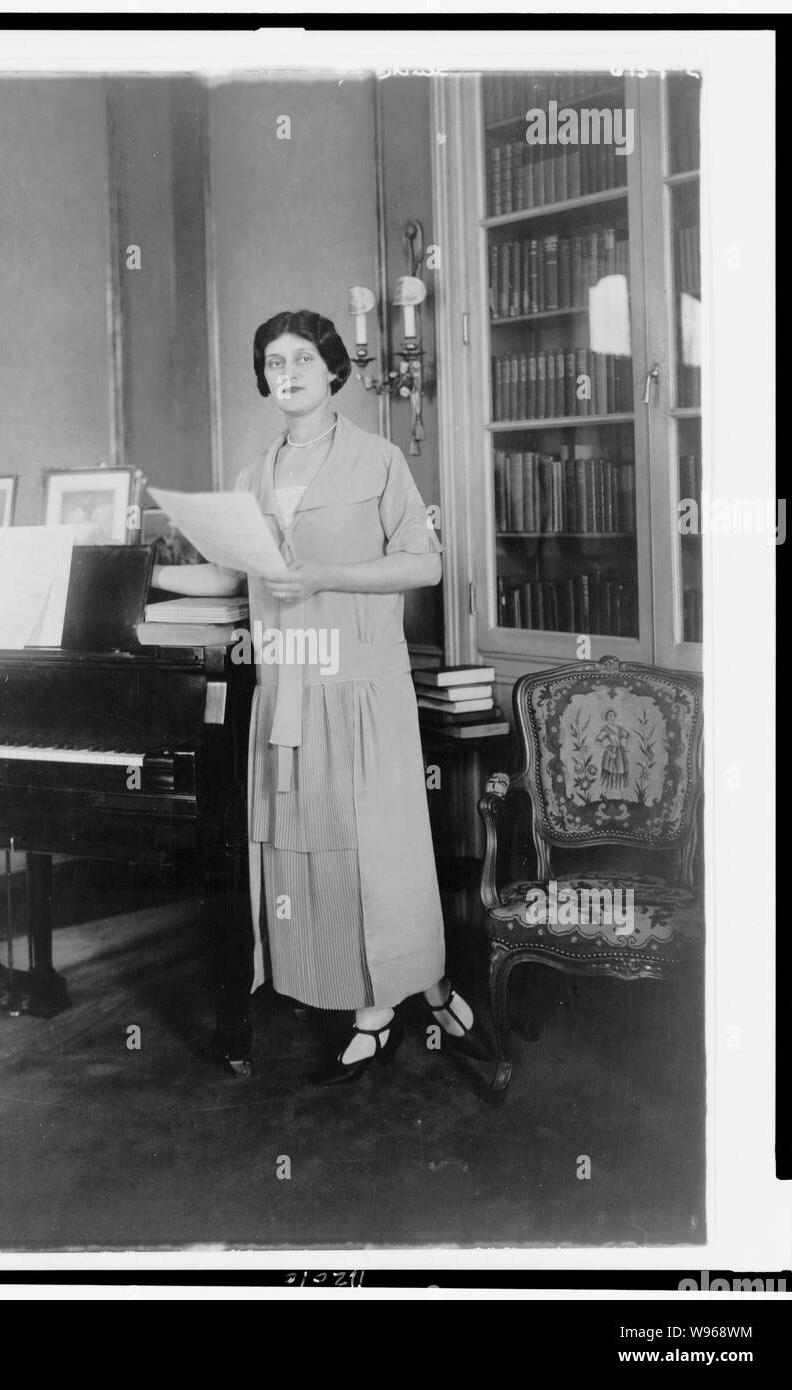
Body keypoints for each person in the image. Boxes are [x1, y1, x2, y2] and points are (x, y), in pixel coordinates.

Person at [152, 308, 490, 1084]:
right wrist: (144, 574)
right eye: (274, 362)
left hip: (361, 691)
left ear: (335, 370)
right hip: (285, 690)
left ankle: (405, 996)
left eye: (304, 358)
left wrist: (325, 576)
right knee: (309, 857)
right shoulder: (253, 476)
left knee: (381, 853)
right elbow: (232, 578)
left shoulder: (377, 461)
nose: (289, 372)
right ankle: (347, 991)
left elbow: (424, 564)